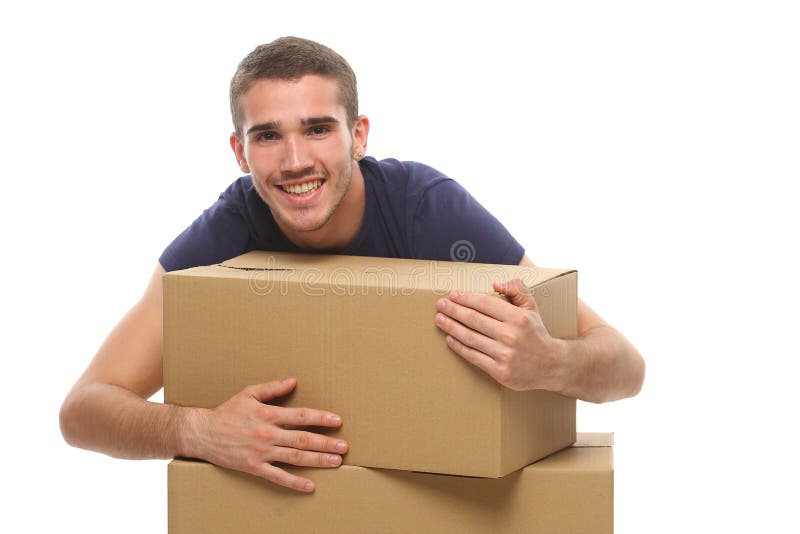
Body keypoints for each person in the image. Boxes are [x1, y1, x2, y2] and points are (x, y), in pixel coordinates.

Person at [60, 36, 645, 494]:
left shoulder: (428, 211)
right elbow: (83, 410)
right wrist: (198, 431)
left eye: (318, 129)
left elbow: (626, 368)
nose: (295, 160)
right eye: (267, 136)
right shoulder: (225, 233)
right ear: (239, 152)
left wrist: (549, 362)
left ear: (357, 136)